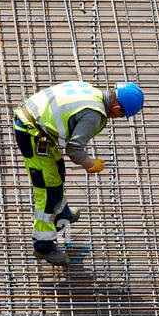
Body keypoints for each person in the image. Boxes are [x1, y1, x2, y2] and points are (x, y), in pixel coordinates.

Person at [14, 80, 144, 266]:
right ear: (116, 107)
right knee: (48, 191)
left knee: (57, 171)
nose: (119, 118)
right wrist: (90, 164)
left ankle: (62, 213)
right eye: (122, 114)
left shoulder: (92, 91)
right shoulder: (94, 115)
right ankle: (43, 245)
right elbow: (74, 149)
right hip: (32, 132)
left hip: (37, 124)